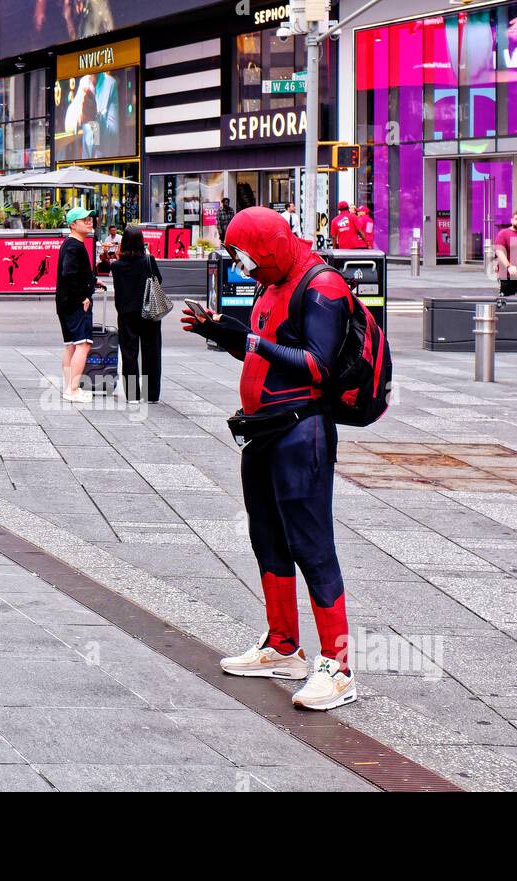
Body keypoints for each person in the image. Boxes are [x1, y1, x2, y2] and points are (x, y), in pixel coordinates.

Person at [181, 206, 355, 711]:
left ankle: (338, 667)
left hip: (302, 434)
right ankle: (284, 646)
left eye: (249, 259)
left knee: (312, 545)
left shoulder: (322, 288)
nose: (245, 269)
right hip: (263, 431)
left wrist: (249, 339)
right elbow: (263, 351)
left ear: (272, 247)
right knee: (268, 538)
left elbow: (316, 366)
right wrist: (224, 332)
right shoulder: (273, 281)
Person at [110, 227, 163, 403]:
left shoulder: (117, 266)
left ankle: (132, 395)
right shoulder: (149, 260)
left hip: (127, 313)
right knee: (152, 352)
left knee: (129, 353)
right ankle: (151, 394)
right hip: (150, 312)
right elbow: (159, 281)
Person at [55, 207, 103, 403]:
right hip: (75, 304)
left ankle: (68, 387)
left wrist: (92, 281)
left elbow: (73, 273)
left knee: (70, 347)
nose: (89, 221)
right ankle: (73, 389)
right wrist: (82, 296)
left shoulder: (70, 244)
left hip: (65, 302)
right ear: (73, 225)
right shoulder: (75, 246)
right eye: (83, 220)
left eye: (90, 219)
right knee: (83, 345)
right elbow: (69, 273)